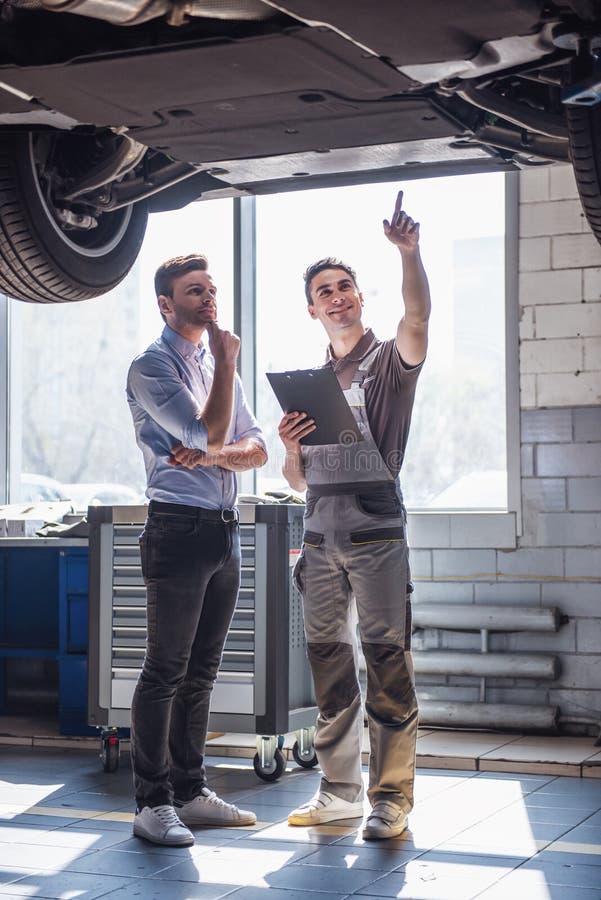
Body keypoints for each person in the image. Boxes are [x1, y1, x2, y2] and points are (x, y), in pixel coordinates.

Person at [277, 191, 430, 841]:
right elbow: (296, 480)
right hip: (318, 538)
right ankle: (338, 792)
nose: (335, 296)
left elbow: (417, 319)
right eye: (323, 290)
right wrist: (289, 447)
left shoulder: (386, 362)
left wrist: (408, 253)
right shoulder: (308, 380)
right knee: (329, 668)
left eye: (344, 286)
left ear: (358, 297)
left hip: (373, 535)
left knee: (385, 663)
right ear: (311, 308)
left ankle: (389, 798)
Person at [126, 253, 267, 847]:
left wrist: (212, 454)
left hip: (223, 528)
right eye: (194, 291)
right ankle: (151, 801)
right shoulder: (152, 367)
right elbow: (211, 431)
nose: (209, 299)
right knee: (165, 669)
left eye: (211, 289)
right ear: (166, 304)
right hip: (178, 529)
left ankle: (189, 790)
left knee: (202, 673)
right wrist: (229, 370)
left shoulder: (213, 365)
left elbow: (256, 450)